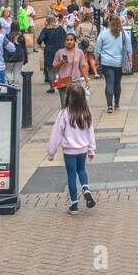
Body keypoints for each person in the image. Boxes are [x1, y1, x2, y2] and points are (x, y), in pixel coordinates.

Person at [46, 82, 97, 214]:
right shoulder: (86, 113)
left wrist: (51, 152)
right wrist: (91, 149)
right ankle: (86, 188)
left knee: (71, 176)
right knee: (82, 170)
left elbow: (56, 134)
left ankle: (74, 205)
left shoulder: (63, 114)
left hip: (69, 151)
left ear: (68, 97)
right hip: (83, 149)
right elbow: (90, 133)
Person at [95, 15, 132, 112]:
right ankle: (116, 104)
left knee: (109, 83)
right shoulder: (124, 34)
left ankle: (109, 106)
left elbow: (97, 49)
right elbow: (129, 49)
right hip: (119, 63)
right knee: (117, 83)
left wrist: (96, 60)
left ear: (109, 22)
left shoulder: (103, 34)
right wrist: (130, 61)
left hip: (106, 62)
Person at [52, 33, 89, 108]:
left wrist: (86, 81)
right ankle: (65, 119)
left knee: (76, 106)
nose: (69, 42)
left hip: (75, 82)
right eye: (67, 40)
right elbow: (54, 66)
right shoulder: (60, 52)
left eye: (71, 40)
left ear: (75, 41)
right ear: (65, 41)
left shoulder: (79, 52)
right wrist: (61, 62)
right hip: (63, 82)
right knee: (64, 106)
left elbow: (82, 67)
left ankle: (74, 120)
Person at [38, 15, 67, 94]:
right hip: (60, 51)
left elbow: (39, 39)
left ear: (47, 21)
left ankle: (52, 87)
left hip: (49, 51)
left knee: (50, 70)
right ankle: (60, 85)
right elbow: (66, 37)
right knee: (60, 69)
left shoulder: (45, 30)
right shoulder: (60, 28)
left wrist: (41, 45)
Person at [76, 11, 99, 79]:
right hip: (91, 43)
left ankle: (85, 75)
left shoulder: (80, 25)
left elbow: (76, 35)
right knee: (91, 59)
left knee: (85, 59)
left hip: (83, 44)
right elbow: (95, 35)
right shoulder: (93, 26)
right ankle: (96, 73)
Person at [4, 22, 27, 87]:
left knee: (8, 71)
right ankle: (15, 84)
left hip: (9, 57)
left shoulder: (7, 36)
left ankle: (10, 82)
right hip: (19, 57)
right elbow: (24, 48)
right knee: (17, 72)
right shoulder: (21, 36)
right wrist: (26, 59)